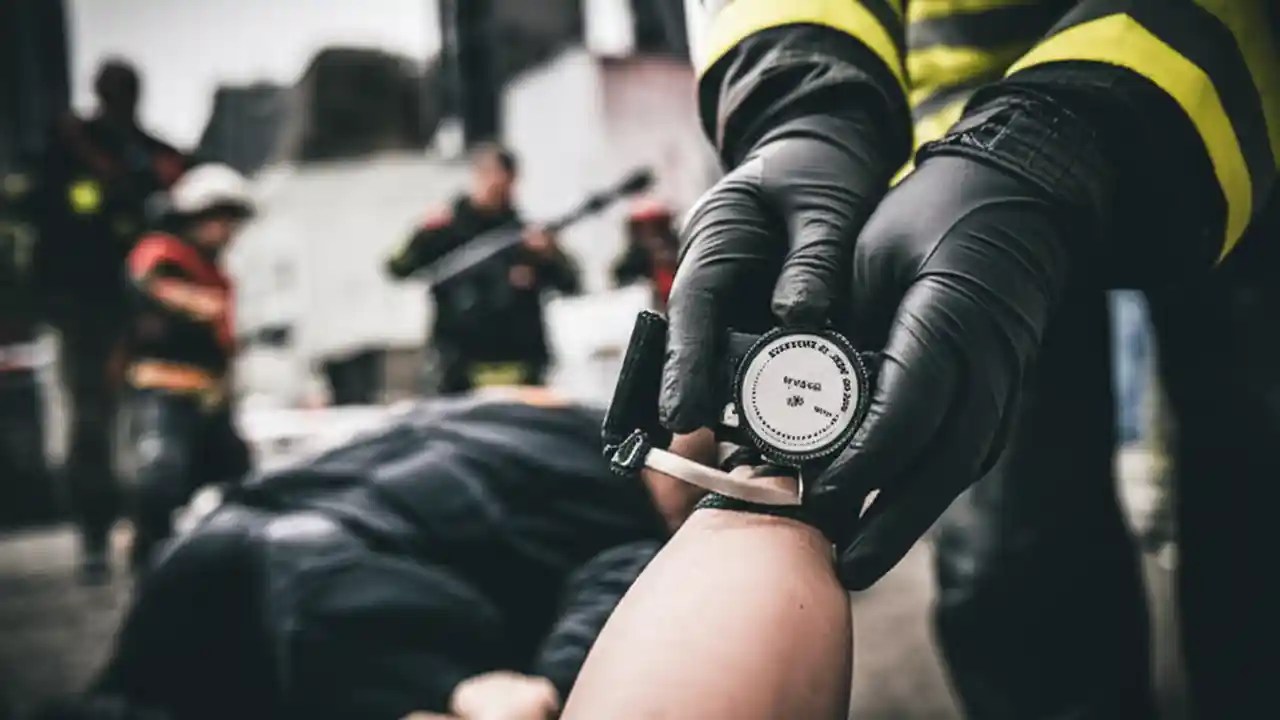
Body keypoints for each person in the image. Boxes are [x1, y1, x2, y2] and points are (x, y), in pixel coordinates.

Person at [563, 1, 1280, 718]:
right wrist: (800, 100)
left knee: (1257, 485)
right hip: (943, 167)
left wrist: (1071, 132)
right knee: (1013, 558)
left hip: (1236, 114)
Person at [42, 390, 703, 720]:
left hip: (205, 554)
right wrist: (539, 686)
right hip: (337, 597)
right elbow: (615, 587)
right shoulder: (629, 516)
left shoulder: (522, 411)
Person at [33, 58, 187, 580]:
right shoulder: (67, 151)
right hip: (87, 309)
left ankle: (151, 527)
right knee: (93, 423)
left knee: (156, 416)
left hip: (147, 309)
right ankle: (96, 533)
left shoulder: (152, 154)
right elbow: (47, 230)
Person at [121, 163, 253, 573]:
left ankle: (221, 560)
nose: (227, 231)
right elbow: (150, 281)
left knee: (236, 475)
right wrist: (194, 303)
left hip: (209, 395)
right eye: (220, 220)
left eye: (232, 222)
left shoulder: (216, 272)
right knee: (161, 477)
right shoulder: (164, 251)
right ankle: (148, 562)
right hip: (165, 390)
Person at [386, 145, 580, 394]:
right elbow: (397, 268)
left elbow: (571, 285)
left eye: (504, 183)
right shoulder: (444, 232)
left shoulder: (527, 238)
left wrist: (550, 255)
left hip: (521, 367)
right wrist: (421, 233)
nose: (496, 189)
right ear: (477, 176)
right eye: (490, 178)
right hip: (458, 367)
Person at [611, 198, 680, 310]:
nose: (654, 235)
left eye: (659, 227)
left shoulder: (683, 256)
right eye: (644, 229)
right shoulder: (629, 269)